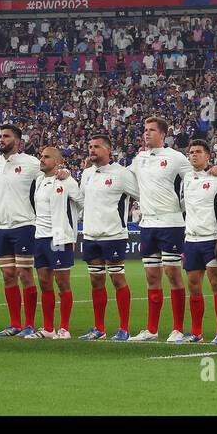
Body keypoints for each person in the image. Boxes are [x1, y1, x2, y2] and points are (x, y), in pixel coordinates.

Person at [128, 116, 194, 343]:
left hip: (171, 223)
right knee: (151, 277)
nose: (146, 133)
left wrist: (181, 207)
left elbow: (194, 179)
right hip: (147, 224)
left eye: (151, 130)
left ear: (163, 135)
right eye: (145, 130)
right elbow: (126, 180)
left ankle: (177, 329)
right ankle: (152, 329)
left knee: (173, 274)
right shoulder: (139, 159)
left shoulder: (176, 158)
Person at [77, 133, 139, 341]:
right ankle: (99, 328)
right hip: (90, 234)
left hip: (113, 234)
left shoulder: (122, 174)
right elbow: (81, 200)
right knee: (96, 281)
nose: (92, 150)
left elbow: (141, 195)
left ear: (108, 150)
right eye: (90, 146)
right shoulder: (87, 174)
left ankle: (124, 328)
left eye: (96, 146)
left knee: (117, 279)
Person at [0, 124, 41, 338]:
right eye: (0, 136)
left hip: (24, 224)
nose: (1, 139)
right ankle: (14, 324)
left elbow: (49, 175)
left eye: (6, 136)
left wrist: (62, 172)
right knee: (8, 275)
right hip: (1, 226)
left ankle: (29, 324)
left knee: (25, 274)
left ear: (18, 141)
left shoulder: (31, 163)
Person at [179, 139, 217, 343]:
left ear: (208, 156)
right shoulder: (186, 178)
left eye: (198, 152)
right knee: (193, 286)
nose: (194, 155)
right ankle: (196, 332)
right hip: (191, 239)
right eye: (191, 152)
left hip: (211, 239)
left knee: (216, 284)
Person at [37, 146, 83, 339]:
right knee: (45, 283)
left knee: (62, 282)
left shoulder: (66, 181)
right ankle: (48, 329)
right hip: (39, 236)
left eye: (46, 157)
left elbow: (82, 202)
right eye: (41, 156)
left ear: (57, 162)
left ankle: (64, 328)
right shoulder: (39, 180)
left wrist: (69, 229)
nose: (41, 159)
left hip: (58, 235)